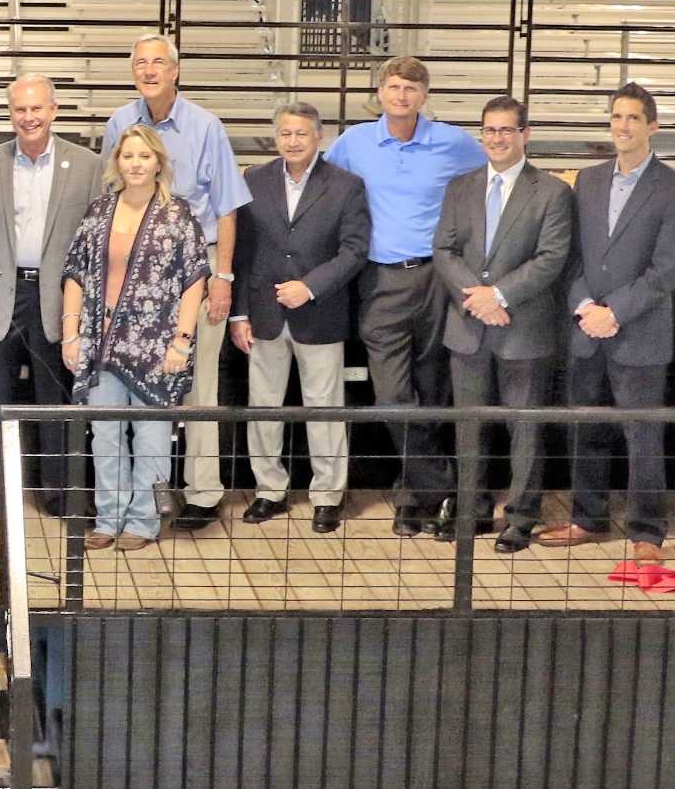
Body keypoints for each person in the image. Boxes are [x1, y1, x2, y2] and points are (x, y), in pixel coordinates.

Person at [324, 56, 487, 537]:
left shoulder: (454, 143)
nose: (401, 95)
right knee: (392, 394)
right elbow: (326, 190)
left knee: (432, 391)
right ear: (380, 92)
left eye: (410, 88)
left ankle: (413, 498)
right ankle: (442, 490)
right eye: (393, 87)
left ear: (424, 95)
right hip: (379, 279)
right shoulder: (353, 143)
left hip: (437, 279)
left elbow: (495, 178)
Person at [538, 83, 675, 565]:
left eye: (632, 118)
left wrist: (616, 312)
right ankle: (588, 518)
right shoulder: (586, 180)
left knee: (642, 435)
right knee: (586, 428)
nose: (622, 126)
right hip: (586, 329)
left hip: (638, 332)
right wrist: (586, 306)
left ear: (653, 126)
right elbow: (573, 258)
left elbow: (669, 269)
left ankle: (647, 530)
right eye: (616, 116)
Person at [100, 34, 250, 529]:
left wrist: (222, 277)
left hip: (196, 268)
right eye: (140, 62)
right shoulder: (120, 124)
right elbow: (107, 199)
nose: (149, 70)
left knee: (198, 383)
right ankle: (138, 501)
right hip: (132, 275)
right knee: (137, 386)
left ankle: (203, 494)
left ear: (176, 71)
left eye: (158, 62)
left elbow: (227, 206)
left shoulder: (206, 126)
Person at [431, 96, 574, 554]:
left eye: (507, 130)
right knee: (470, 425)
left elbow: (551, 258)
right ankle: (471, 509)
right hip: (469, 325)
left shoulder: (552, 192)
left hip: (523, 327)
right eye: (490, 130)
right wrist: (478, 298)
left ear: (525, 134)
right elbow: (445, 251)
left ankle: (521, 517)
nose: (497, 138)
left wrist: (500, 295)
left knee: (524, 428)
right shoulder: (461, 187)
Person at [0, 74, 102, 529]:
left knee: (55, 400)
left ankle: (60, 493)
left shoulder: (87, 165)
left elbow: (94, 241)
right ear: (10, 113)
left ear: (54, 110)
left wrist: (83, 310)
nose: (29, 117)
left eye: (37, 108)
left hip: (61, 297)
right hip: (2, 297)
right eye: (20, 109)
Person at [61, 125, 209, 551]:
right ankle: (108, 518)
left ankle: (143, 522)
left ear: (159, 162)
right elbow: (74, 273)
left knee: (151, 437)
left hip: (156, 347)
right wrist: (71, 333)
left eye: (144, 156)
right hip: (101, 343)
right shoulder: (98, 211)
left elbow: (194, 280)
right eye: (128, 156)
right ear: (117, 162)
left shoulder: (178, 215)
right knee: (105, 436)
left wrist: (182, 341)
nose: (136, 164)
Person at [228, 103, 370, 534]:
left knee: (324, 407)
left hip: (319, 311)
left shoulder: (346, 186)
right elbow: (242, 250)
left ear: (318, 137)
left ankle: (327, 495)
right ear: (276, 137)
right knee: (263, 406)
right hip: (264, 313)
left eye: (301, 134)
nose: (293, 141)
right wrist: (239, 312)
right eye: (286, 133)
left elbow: (354, 250)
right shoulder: (253, 180)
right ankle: (269, 490)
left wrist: (308, 287)